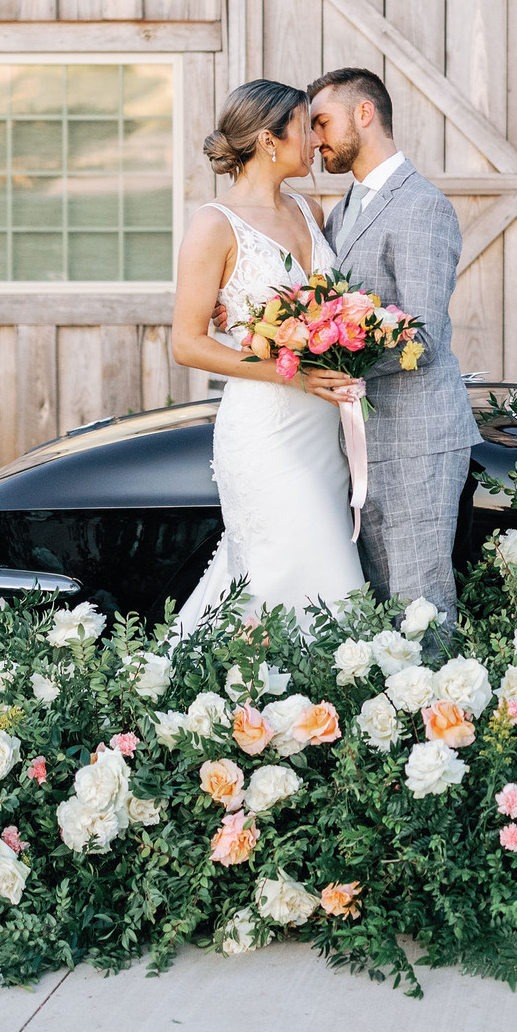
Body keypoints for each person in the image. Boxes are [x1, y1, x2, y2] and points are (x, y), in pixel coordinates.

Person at [166, 80, 365, 630]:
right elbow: (186, 342)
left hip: (323, 434)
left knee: (318, 567)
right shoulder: (214, 225)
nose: (316, 140)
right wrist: (295, 375)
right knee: (294, 571)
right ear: (269, 139)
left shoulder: (311, 212)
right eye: (306, 126)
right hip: (265, 433)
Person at [303, 67, 474, 642]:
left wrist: (335, 359)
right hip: (362, 439)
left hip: (417, 438)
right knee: (379, 607)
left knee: (421, 605)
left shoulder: (422, 207)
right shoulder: (341, 208)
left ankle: (440, 724)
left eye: (322, 122)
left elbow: (423, 337)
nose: (315, 139)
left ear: (364, 113)